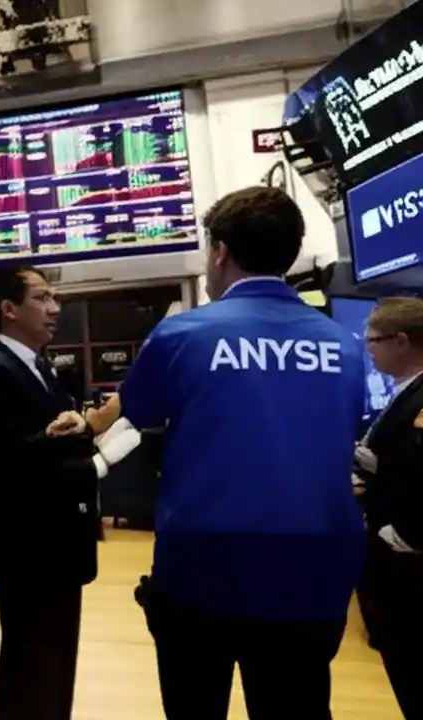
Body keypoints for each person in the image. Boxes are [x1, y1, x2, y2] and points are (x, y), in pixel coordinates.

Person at [119, 186, 366, 720]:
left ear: (220, 252)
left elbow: (137, 414)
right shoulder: (344, 345)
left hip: (201, 568)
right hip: (315, 570)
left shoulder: (181, 334)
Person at [0, 265, 141, 720]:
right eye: (42, 298)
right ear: (8, 309)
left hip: (56, 547)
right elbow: (11, 464)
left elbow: (50, 438)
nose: (55, 308)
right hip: (29, 550)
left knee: (53, 666)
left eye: (55, 298)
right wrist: (99, 463)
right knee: (33, 668)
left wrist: (83, 431)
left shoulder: (35, 364)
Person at [355, 297, 423, 719]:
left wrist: (402, 536)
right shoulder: (406, 392)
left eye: (373, 342)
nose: (369, 351)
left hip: (410, 566)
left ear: (401, 341)